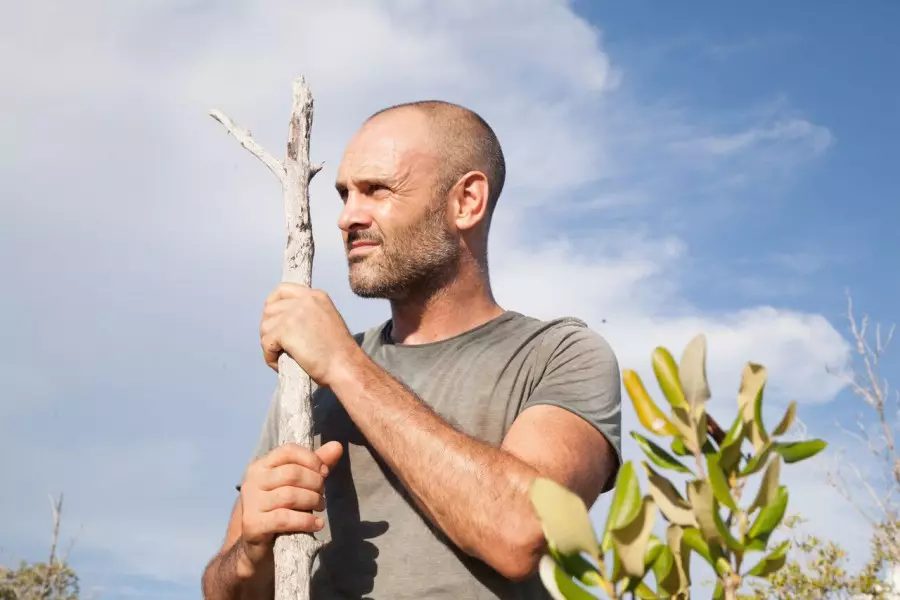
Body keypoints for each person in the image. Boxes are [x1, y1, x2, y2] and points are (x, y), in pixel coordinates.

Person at [201, 100, 622, 599]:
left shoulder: (560, 355)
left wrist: (345, 365)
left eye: (377, 189)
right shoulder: (308, 379)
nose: (347, 217)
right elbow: (223, 591)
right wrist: (250, 555)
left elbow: (521, 532)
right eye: (343, 194)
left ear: (467, 201)